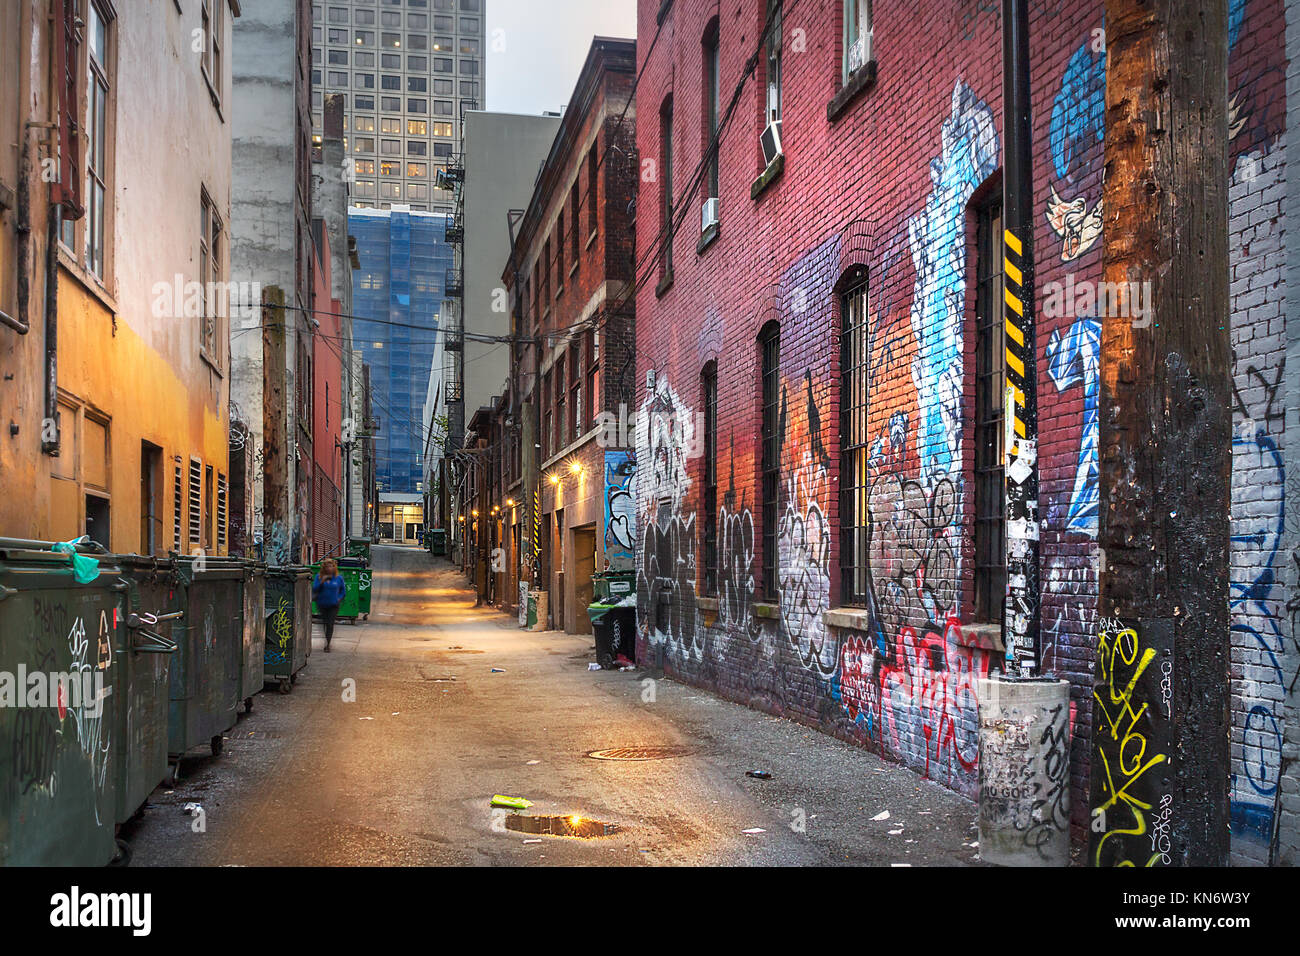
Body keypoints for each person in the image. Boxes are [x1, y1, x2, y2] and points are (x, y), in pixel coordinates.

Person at [313, 558, 347, 652]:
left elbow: (343, 592)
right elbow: (315, 589)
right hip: (322, 604)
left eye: (331, 566)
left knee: (330, 624)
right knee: (325, 623)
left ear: (334, 567)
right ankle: (327, 639)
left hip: (333, 605)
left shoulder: (338, 578)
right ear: (324, 568)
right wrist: (322, 581)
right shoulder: (319, 577)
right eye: (327, 566)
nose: (329, 568)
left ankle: (328, 644)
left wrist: (338, 599)